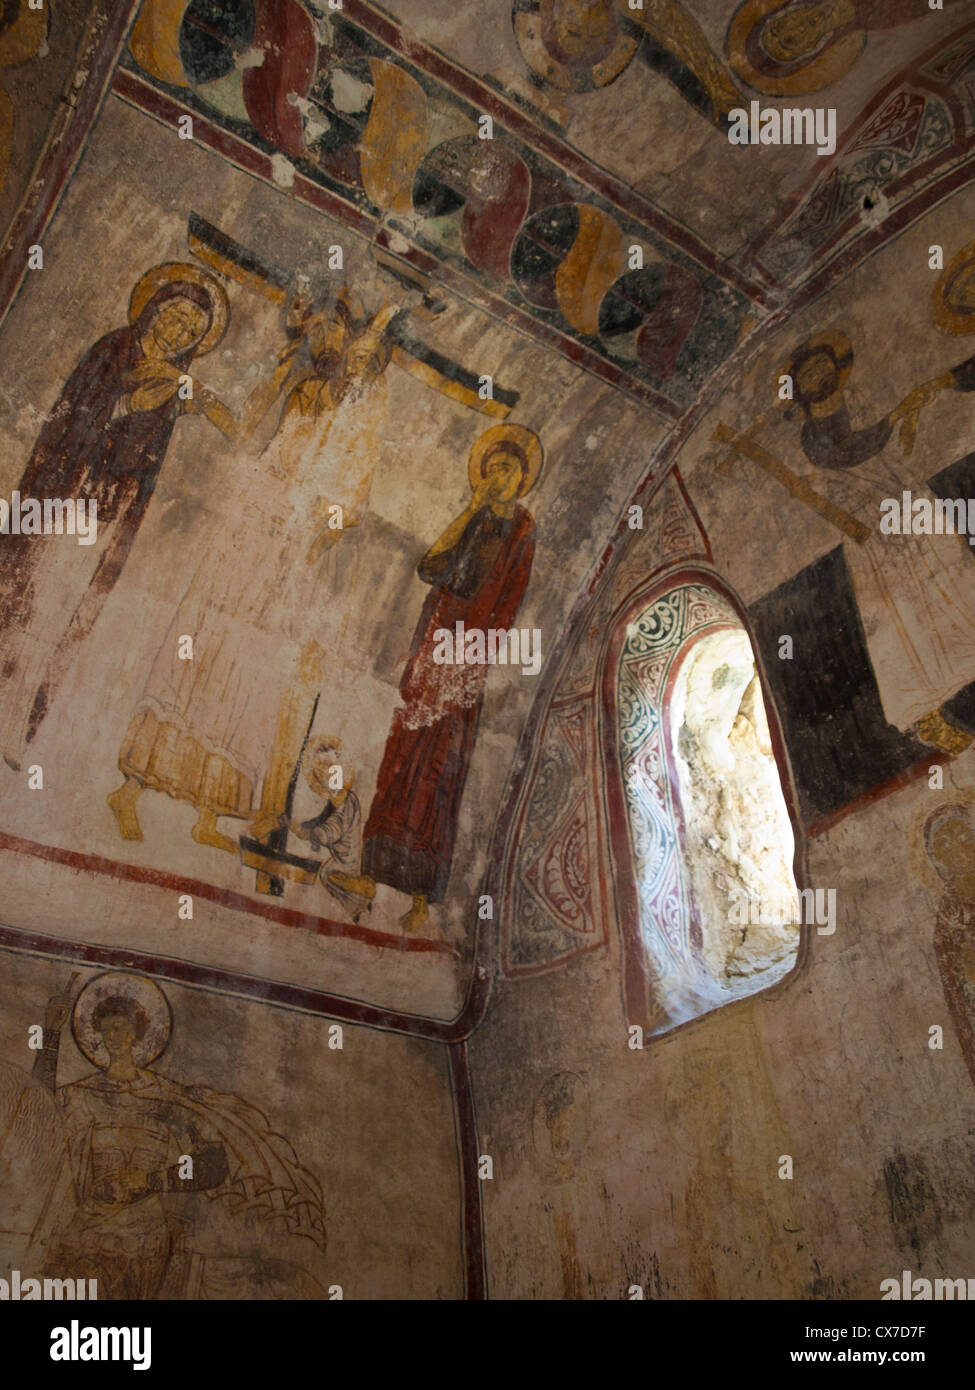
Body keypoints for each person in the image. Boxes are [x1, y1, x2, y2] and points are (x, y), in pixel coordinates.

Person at [108, 286, 398, 852]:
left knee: (245, 671)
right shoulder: (308, 392)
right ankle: (130, 789)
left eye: (365, 361)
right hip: (253, 533)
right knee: (199, 649)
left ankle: (209, 816)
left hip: (291, 554)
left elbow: (351, 503)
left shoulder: (362, 430)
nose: (350, 363)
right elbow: (265, 448)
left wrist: (323, 528)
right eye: (348, 352)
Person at [0, 263, 233, 768]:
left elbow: (155, 456)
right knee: (29, 596)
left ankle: (17, 722)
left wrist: (173, 404)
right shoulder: (114, 350)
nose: (178, 331)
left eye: (191, 331)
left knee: (64, 611)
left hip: (108, 509)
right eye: (175, 318)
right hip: (66, 496)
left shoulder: (175, 381)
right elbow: (73, 416)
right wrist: (129, 404)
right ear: (155, 310)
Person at [330, 424, 541, 932]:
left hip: (466, 653)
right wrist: (469, 509)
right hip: (435, 638)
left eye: (508, 470)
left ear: (522, 479)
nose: (498, 477)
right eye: (491, 470)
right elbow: (430, 568)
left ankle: (423, 898)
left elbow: (509, 600)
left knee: (444, 763)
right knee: (404, 747)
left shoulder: (523, 528)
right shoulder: (471, 518)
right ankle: (372, 870)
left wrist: (472, 657)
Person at [782, 331, 975, 752]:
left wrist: (902, 414)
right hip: (871, 528)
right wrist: (895, 416)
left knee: (957, 582)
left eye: (824, 366)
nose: (821, 374)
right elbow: (848, 453)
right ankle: (929, 716)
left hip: (909, 502)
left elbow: (890, 447)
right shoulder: (811, 436)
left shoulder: (863, 398)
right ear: (800, 390)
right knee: (904, 620)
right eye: (811, 373)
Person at [924, 804, 975, 1096]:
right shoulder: (949, 917)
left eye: (961, 836)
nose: (957, 848)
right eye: (945, 843)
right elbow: (958, 989)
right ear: (938, 859)